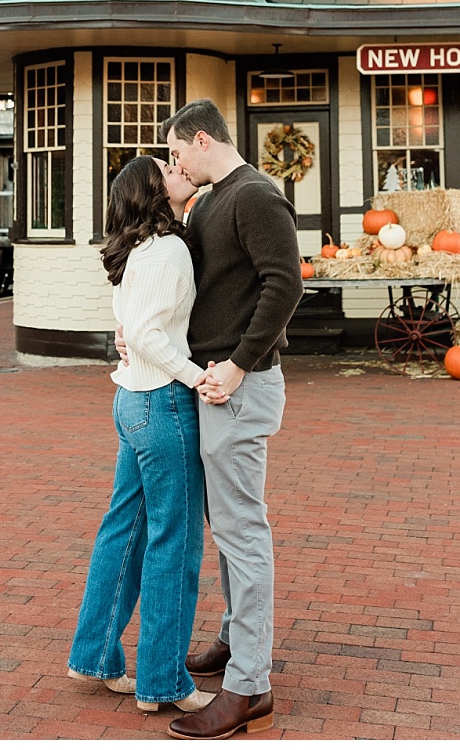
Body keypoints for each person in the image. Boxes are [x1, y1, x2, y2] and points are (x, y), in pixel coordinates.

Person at [159, 99, 302, 741]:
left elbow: (285, 285)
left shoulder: (255, 196)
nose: (175, 164)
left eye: (177, 152)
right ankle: (232, 639)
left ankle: (249, 685)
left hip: (239, 387)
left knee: (243, 532)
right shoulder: (212, 201)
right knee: (229, 527)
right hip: (216, 383)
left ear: (201, 139)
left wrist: (241, 364)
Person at [68, 156, 215, 717]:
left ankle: (95, 655)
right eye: (167, 168)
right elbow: (148, 334)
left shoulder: (136, 250)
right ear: (155, 192)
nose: (178, 169)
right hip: (163, 404)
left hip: (131, 402)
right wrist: (196, 377)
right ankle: (163, 683)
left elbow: (129, 324)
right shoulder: (169, 249)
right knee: (174, 543)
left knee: (123, 533)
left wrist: (130, 337)